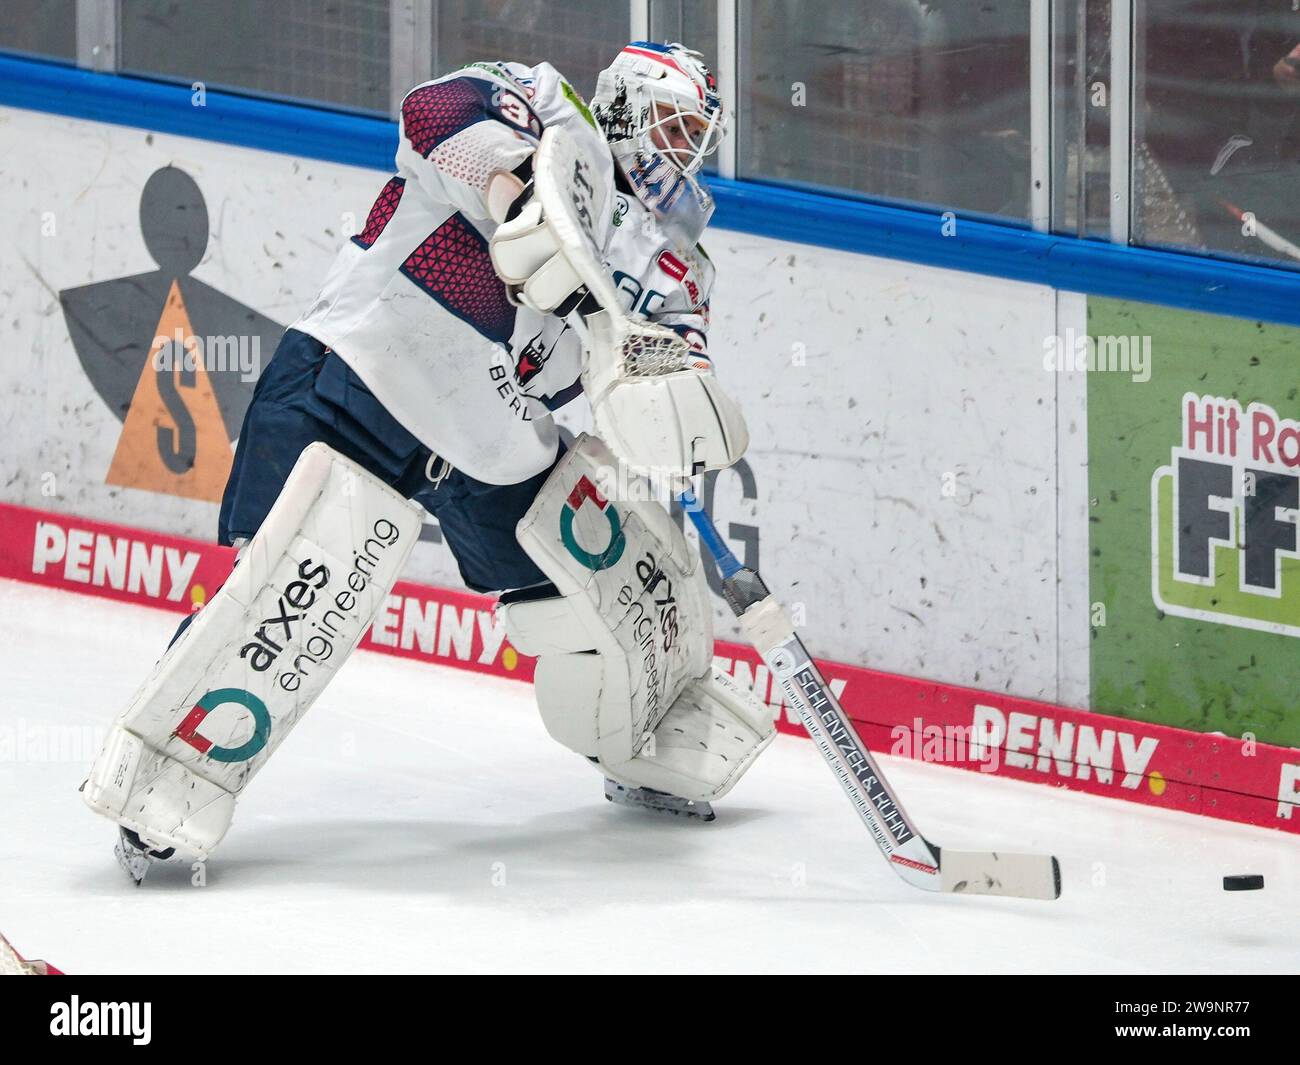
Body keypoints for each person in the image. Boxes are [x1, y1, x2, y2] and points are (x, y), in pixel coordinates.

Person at [83, 42, 775, 882]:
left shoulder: (673, 263)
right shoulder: (547, 106)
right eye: (674, 124)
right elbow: (432, 112)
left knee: (618, 573)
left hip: (494, 444)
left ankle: (648, 731)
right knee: (285, 587)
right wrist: (521, 196)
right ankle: (167, 781)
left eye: (697, 136)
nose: (684, 151)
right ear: (626, 103)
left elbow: (676, 361)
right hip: (360, 373)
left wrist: (671, 403)